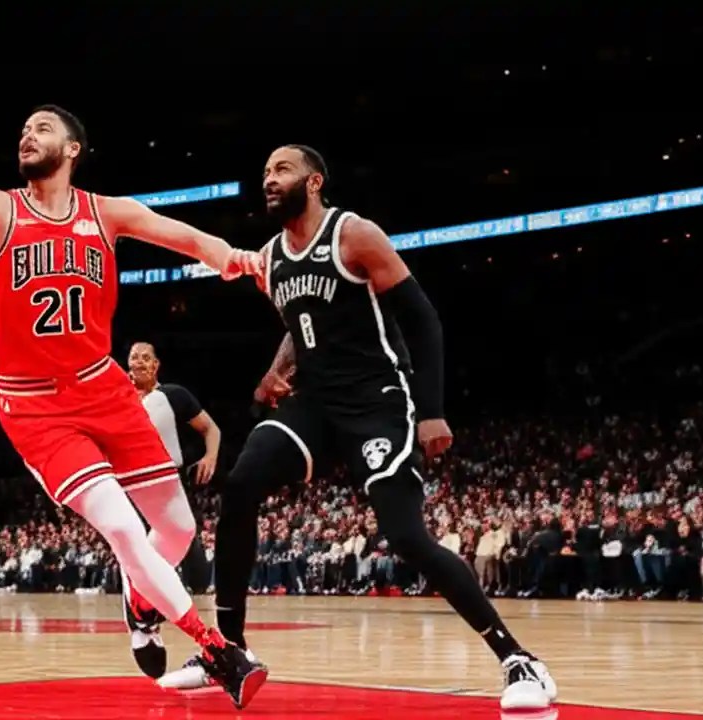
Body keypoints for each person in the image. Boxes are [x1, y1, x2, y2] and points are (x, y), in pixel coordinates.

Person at [0, 18, 267, 709]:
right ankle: (217, 649)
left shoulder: (105, 213)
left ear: (73, 148)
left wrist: (231, 256)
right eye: (23, 128)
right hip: (36, 405)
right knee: (123, 528)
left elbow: (183, 234)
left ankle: (139, 610)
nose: (27, 135)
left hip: (104, 389)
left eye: (41, 128)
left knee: (179, 529)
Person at [156, 145, 557, 711]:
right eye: (266, 172)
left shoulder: (354, 234)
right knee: (241, 486)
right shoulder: (272, 258)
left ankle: (521, 661)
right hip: (315, 404)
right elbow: (302, 323)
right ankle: (229, 652)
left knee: (406, 537)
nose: (269, 180)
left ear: (314, 181)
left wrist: (433, 408)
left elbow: (422, 318)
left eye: (282, 170)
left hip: (377, 401)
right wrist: (276, 369)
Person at [125, 342, 221, 667]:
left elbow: (211, 429)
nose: (139, 361)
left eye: (145, 357)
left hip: (170, 487)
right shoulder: (115, 398)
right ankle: (144, 625)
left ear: (156, 365)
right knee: (141, 558)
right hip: (131, 488)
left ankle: (146, 613)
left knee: (194, 571)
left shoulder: (173, 395)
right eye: (134, 357)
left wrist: (211, 455)